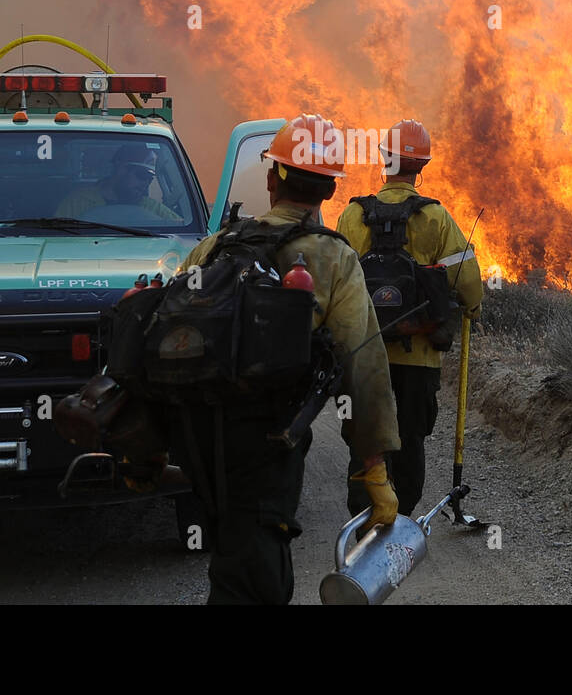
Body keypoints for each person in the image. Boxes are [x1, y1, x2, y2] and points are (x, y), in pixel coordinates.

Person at [170, 113, 400, 604]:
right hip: (269, 443)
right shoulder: (334, 259)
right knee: (260, 573)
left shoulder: (213, 248)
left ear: (272, 179)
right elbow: (361, 367)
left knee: (235, 558)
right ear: (330, 192)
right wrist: (373, 467)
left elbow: (170, 333)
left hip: (199, 439)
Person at [335, 118, 482, 519]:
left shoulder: (351, 216)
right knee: (412, 436)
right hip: (418, 355)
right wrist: (472, 305)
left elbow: (336, 280)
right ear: (422, 167)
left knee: (367, 437)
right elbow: (466, 280)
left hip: (366, 353)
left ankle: (364, 516)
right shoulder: (435, 217)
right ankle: (402, 517)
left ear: (384, 160)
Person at [56, 145, 182, 223]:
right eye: (142, 175)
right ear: (121, 169)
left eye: (150, 178)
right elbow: (56, 237)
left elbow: (182, 228)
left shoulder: (152, 208)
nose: (146, 183)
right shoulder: (76, 202)